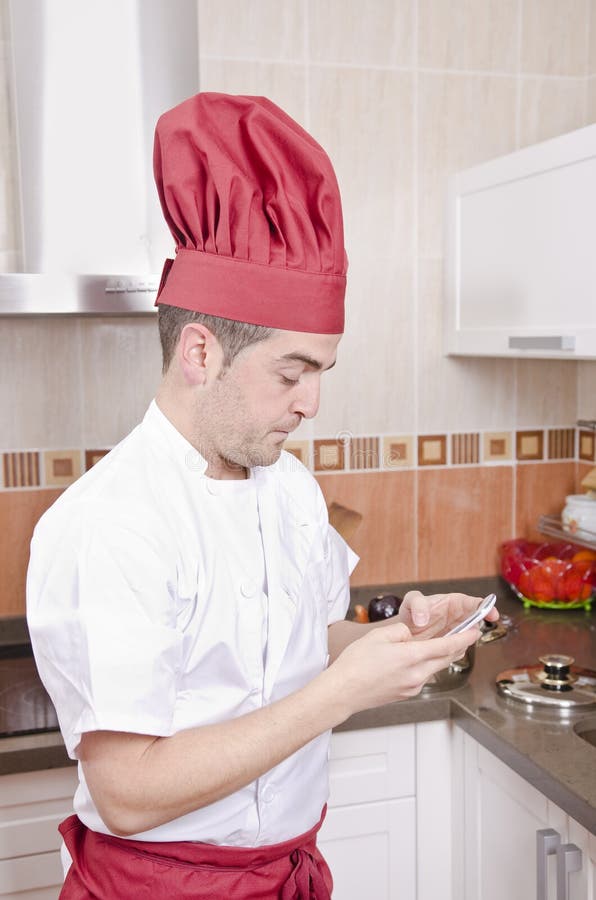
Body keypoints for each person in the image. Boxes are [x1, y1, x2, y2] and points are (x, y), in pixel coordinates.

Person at [26, 93, 496, 899]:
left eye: (321, 373)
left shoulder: (292, 490)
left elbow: (307, 644)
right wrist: (342, 694)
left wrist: (398, 638)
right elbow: (127, 793)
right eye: (292, 373)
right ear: (200, 354)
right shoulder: (110, 524)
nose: (312, 404)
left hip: (288, 873)